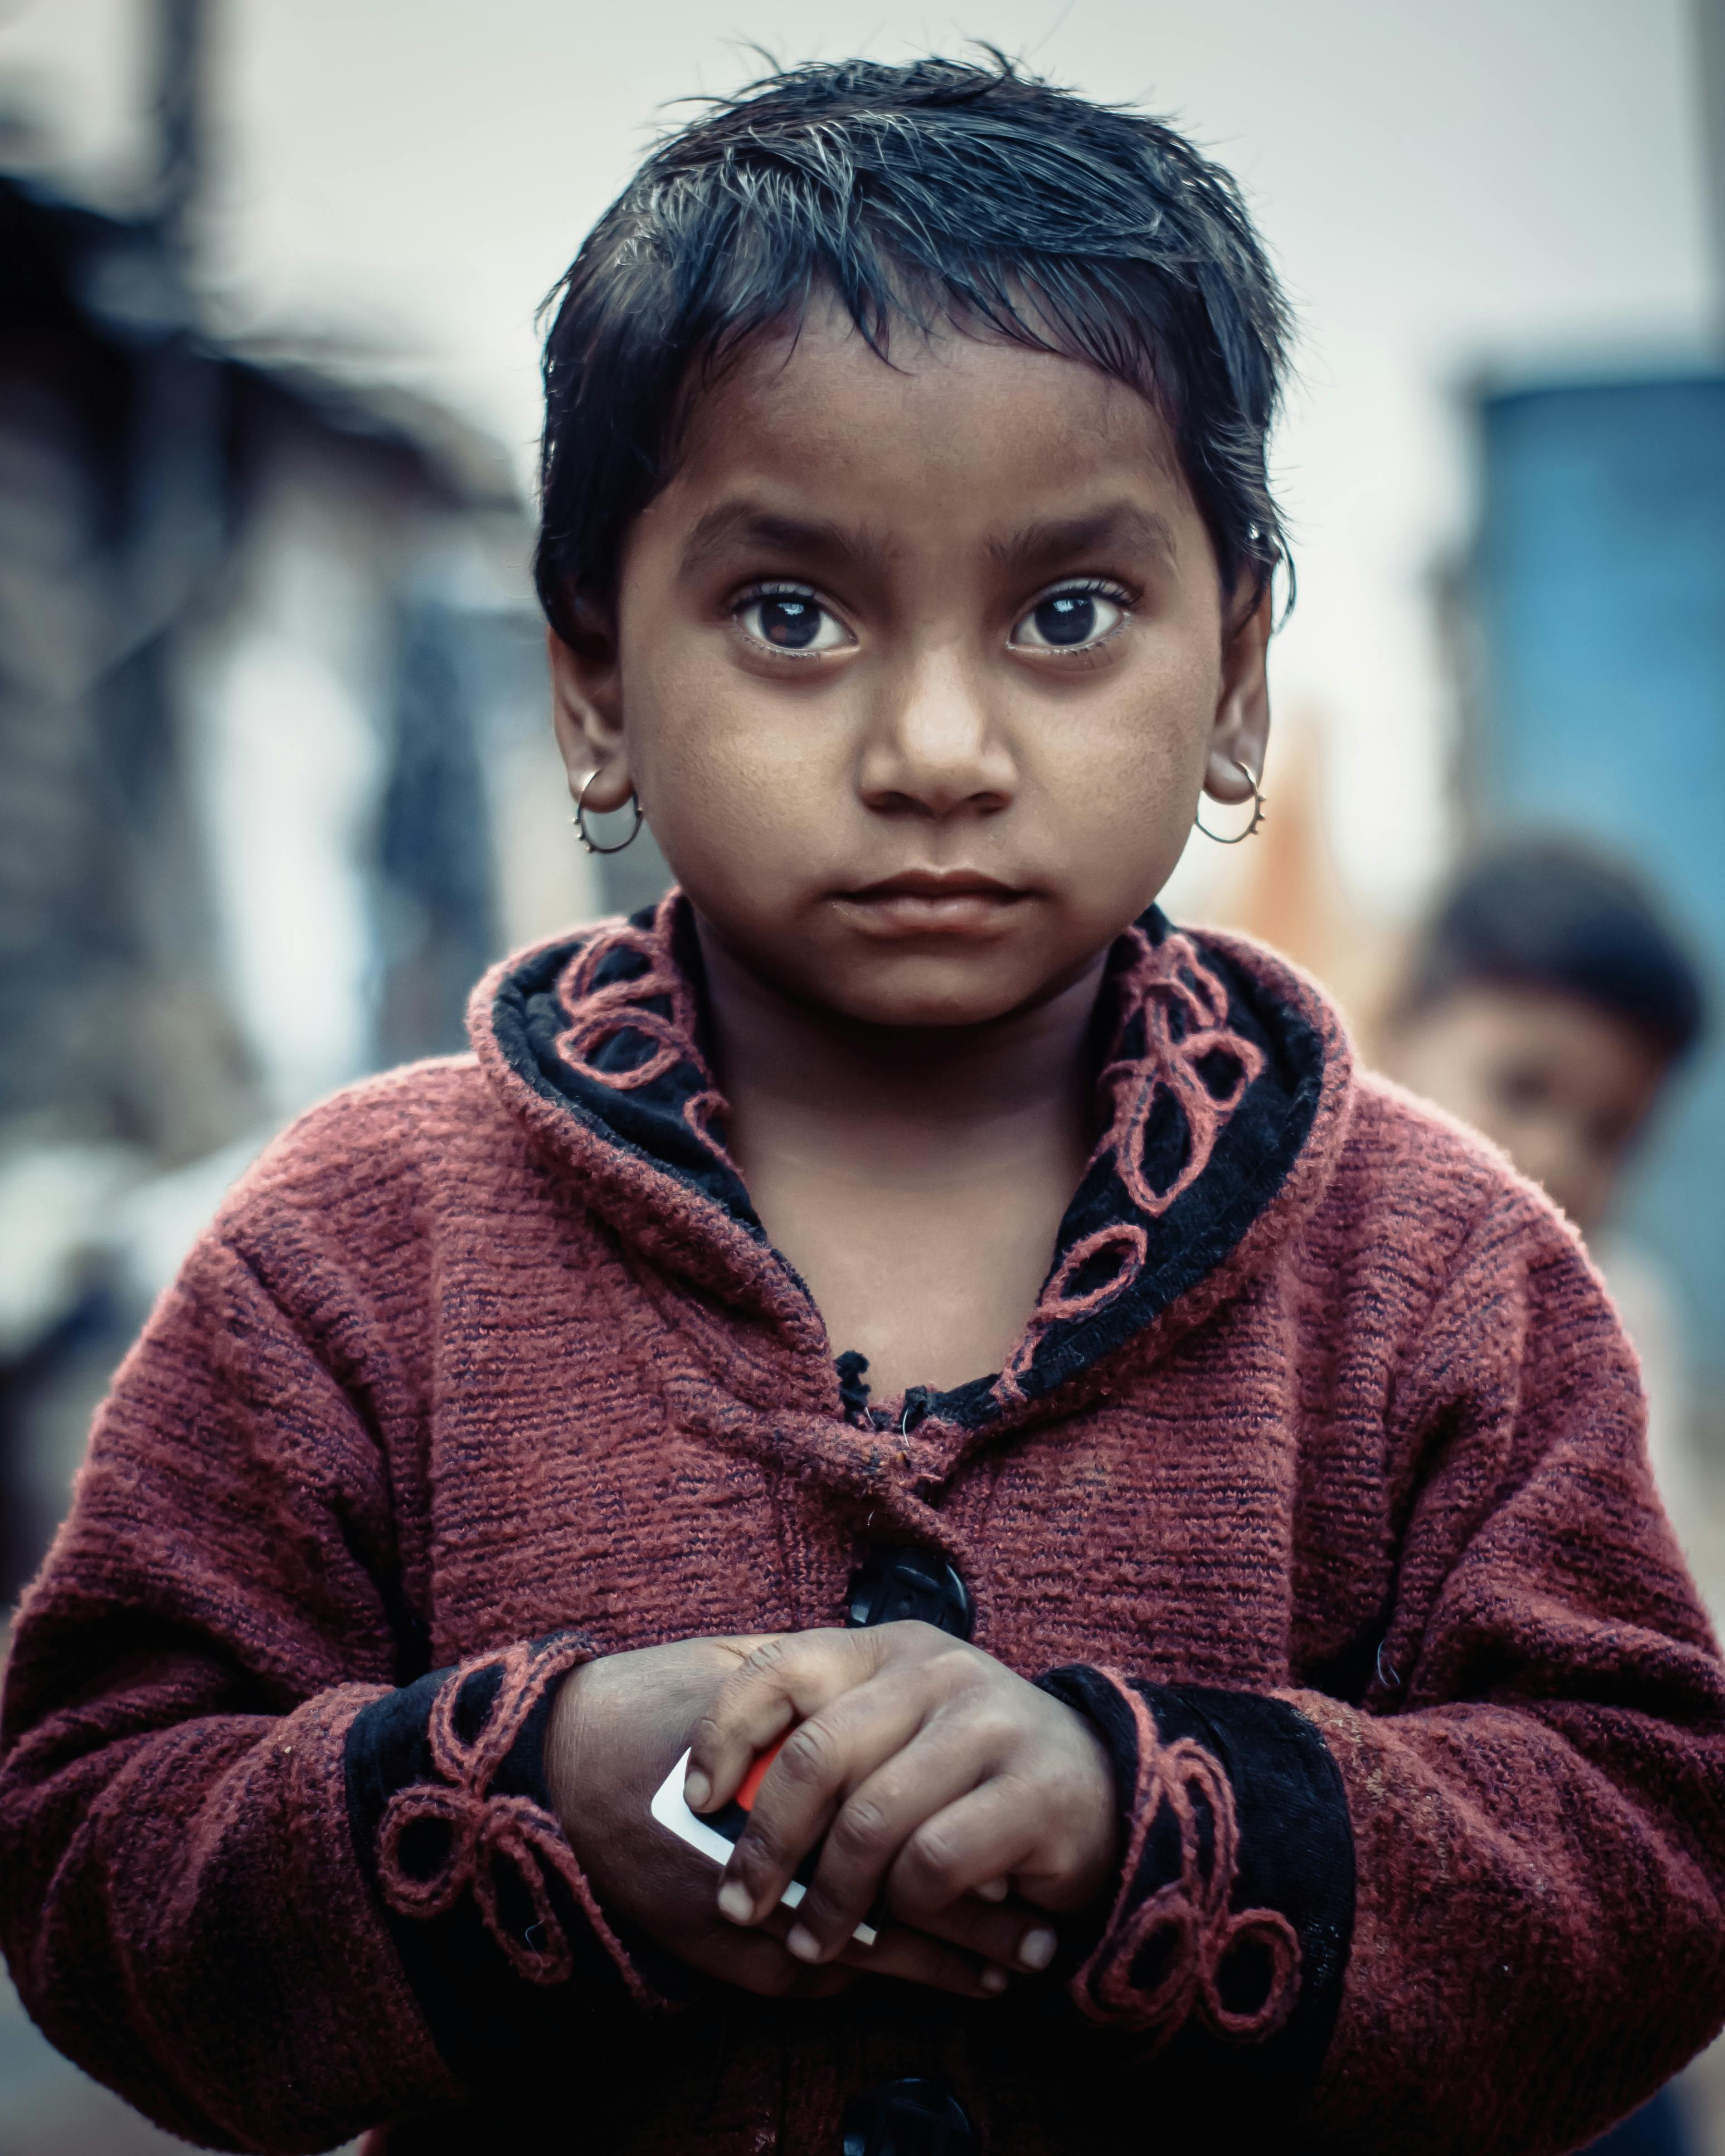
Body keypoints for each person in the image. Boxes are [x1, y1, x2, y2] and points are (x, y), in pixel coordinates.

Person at [2, 56, 1722, 2156]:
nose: (931, 745)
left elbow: (1648, 1855)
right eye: (789, 613)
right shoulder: (354, 1251)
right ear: (595, 688)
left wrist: (1138, 1820)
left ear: (1239, 676)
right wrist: (521, 1802)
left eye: (1063, 613)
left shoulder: (1431, 1265)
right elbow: (92, 1847)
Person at [1381, 840, 1712, 2156]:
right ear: (1395, 1021)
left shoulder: (1629, 1316)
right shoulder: (1325, 1282)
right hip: (1376, 1881)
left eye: (1611, 1128)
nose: (1557, 1150)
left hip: (1559, 1886)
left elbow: (1675, 1614)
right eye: (1522, 1085)